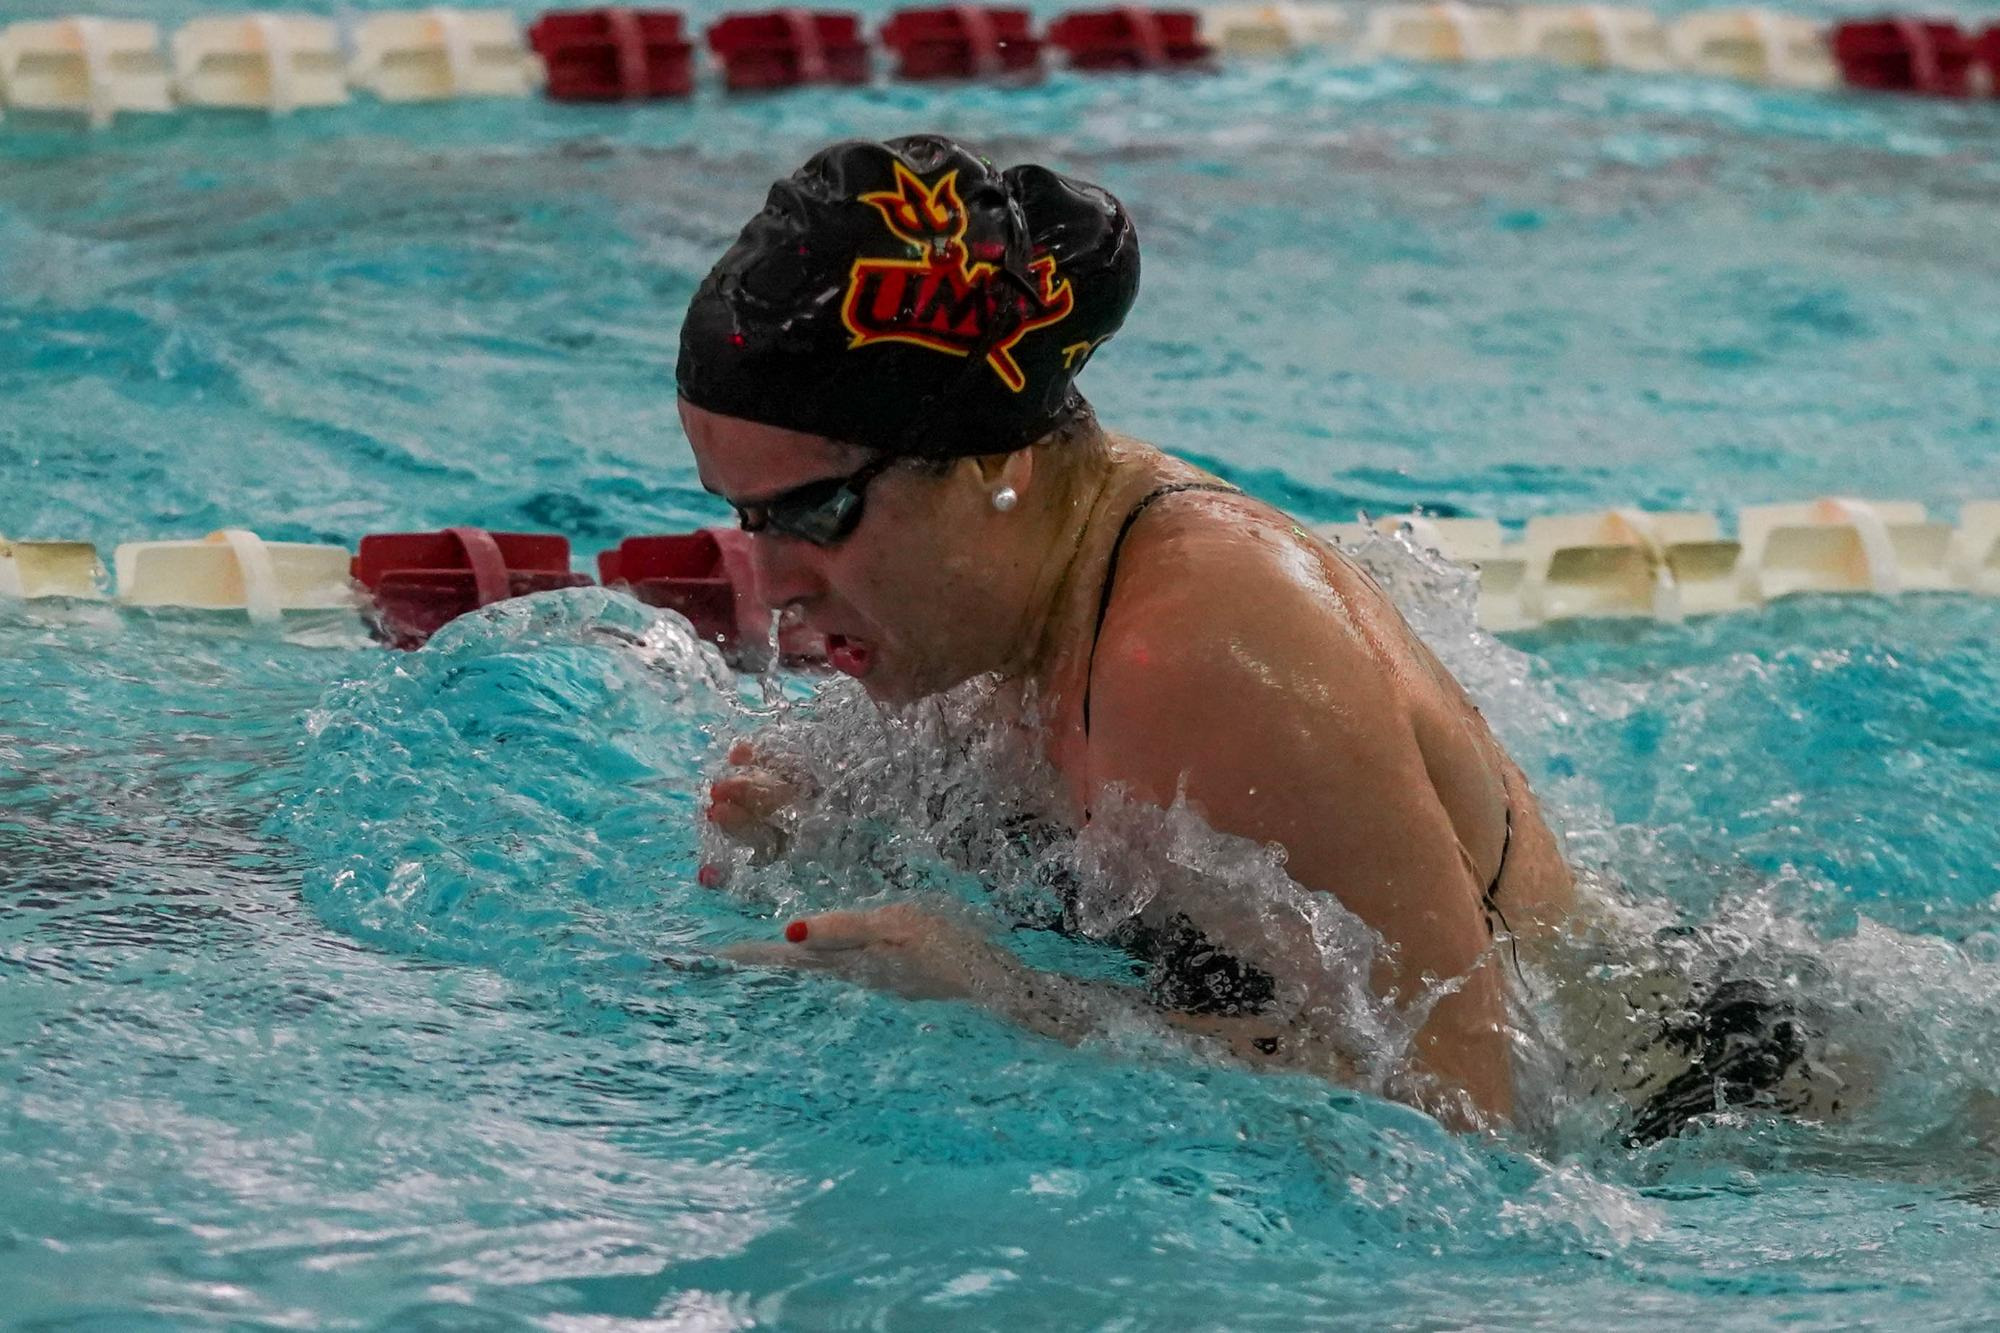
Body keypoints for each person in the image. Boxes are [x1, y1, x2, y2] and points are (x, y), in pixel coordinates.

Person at [676, 133, 1584, 1130]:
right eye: (745, 517)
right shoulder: (1015, 604)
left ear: (990, 464)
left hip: (1689, 1127)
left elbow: (1461, 1106)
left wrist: (1007, 1001)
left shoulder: (1208, 649)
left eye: (815, 513)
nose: (771, 585)